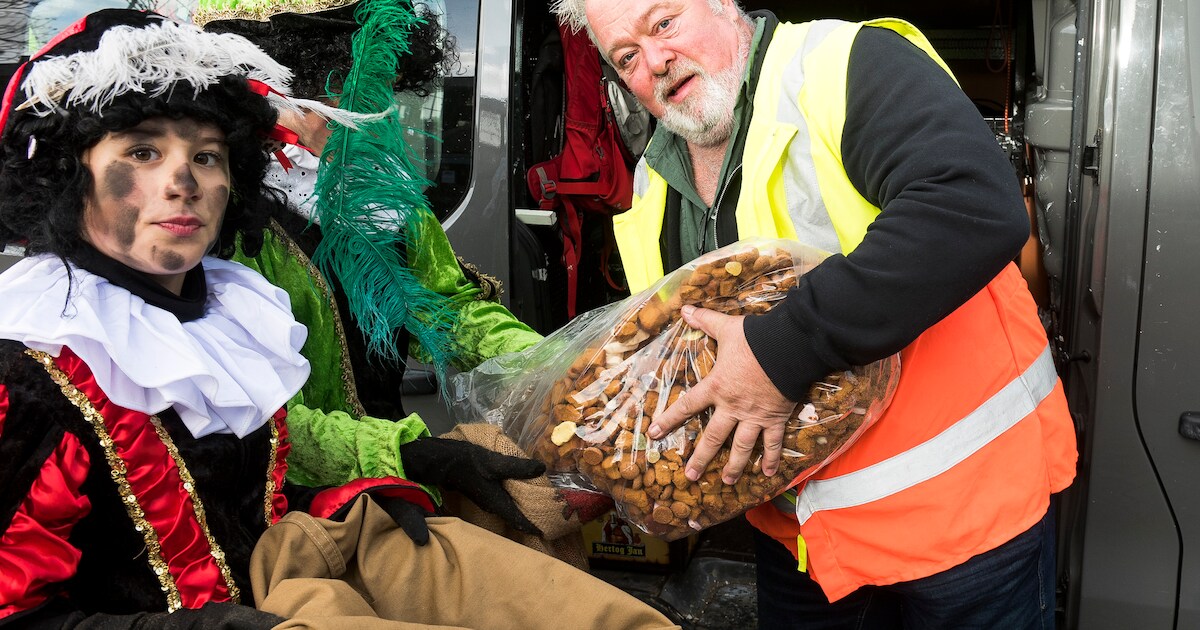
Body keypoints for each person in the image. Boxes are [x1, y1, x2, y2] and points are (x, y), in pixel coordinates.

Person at [0, 10, 678, 628]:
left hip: (329, 508)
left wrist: (586, 377)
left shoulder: (374, 206)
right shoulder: (219, 244)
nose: (182, 180)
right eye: (143, 152)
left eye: (204, 155)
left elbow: (451, 313)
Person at [551, 0, 1078, 627]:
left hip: (960, 527)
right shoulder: (652, 184)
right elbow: (682, 355)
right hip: (800, 543)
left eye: (663, 24)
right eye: (627, 58)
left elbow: (972, 205)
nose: (655, 63)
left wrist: (781, 350)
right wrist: (614, 454)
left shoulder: (840, 66)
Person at [197, 0, 615, 558]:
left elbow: (447, 310)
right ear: (284, 103)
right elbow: (248, 416)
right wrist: (409, 453)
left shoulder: (381, 199)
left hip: (398, 470)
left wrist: (555, 365)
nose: (379, 114)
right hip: (284, 503)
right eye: (353, 100)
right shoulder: (223, 220)